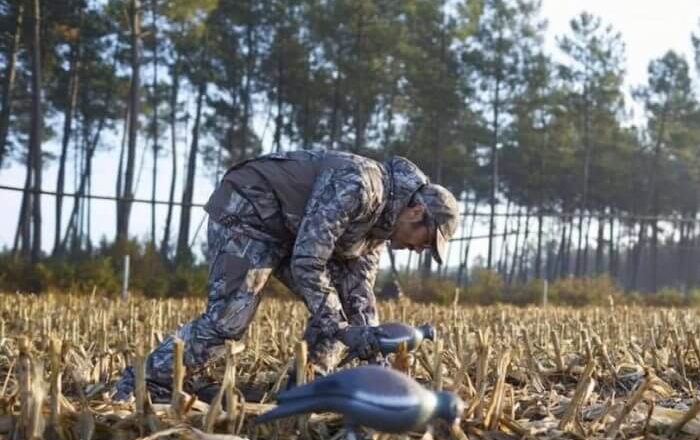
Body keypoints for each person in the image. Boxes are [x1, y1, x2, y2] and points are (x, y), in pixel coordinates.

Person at [113, 150, 459, 401]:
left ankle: (303, 392)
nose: (419, 251)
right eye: (425, 242)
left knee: (337, 313)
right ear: (415, 211)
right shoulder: (359, 185)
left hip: (290, 230)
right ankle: (141, 384)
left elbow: (359, 299)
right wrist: (341, 329)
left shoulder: (379, 231)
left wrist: (381, 366)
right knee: (229, 318)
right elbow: (308, 262)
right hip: (248, 211)